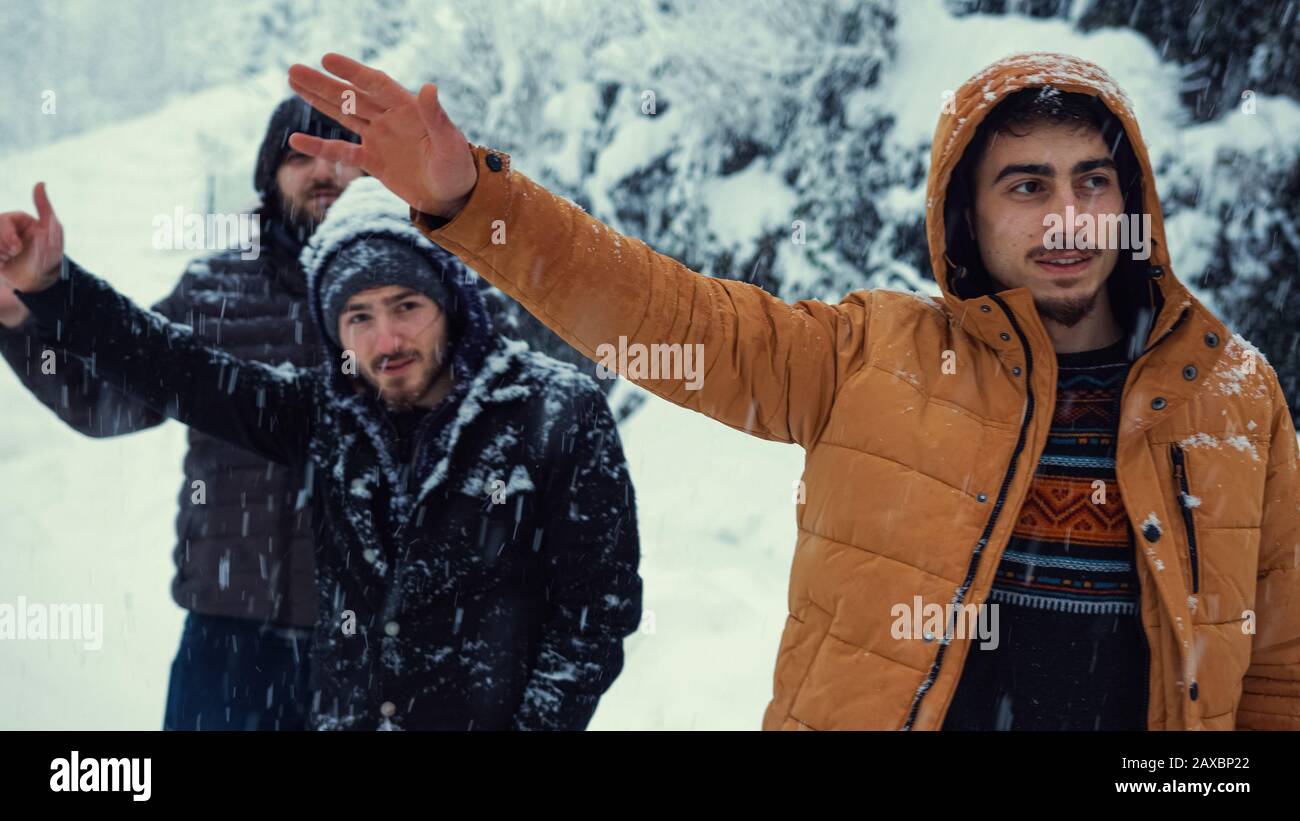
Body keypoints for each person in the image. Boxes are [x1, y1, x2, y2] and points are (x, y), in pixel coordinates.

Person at [278, 51, 1299, 730]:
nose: (1067, 216)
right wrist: (473, 202)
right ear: (966, 215)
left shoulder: (1234, 398)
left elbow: (1276, 672)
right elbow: (664, 315)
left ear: (1131, 201)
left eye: (1093, 181)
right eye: (1026, 185)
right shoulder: (870, 355)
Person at [0, 173, 642, 731]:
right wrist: (55, 287)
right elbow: (179, 370)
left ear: (450, 301)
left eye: (406, 306)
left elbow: (595, 614)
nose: (386, 337)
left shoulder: (555, 410)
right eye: (358, 317)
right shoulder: (327, 413)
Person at [0, 97, 362, 730]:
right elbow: (106, 403)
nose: (322, 170)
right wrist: (20, 320)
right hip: (227, 633)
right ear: (268, 174)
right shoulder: (214, 288)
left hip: (366, 638)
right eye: (300, 154)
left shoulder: (408, 299)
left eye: (341, 152)